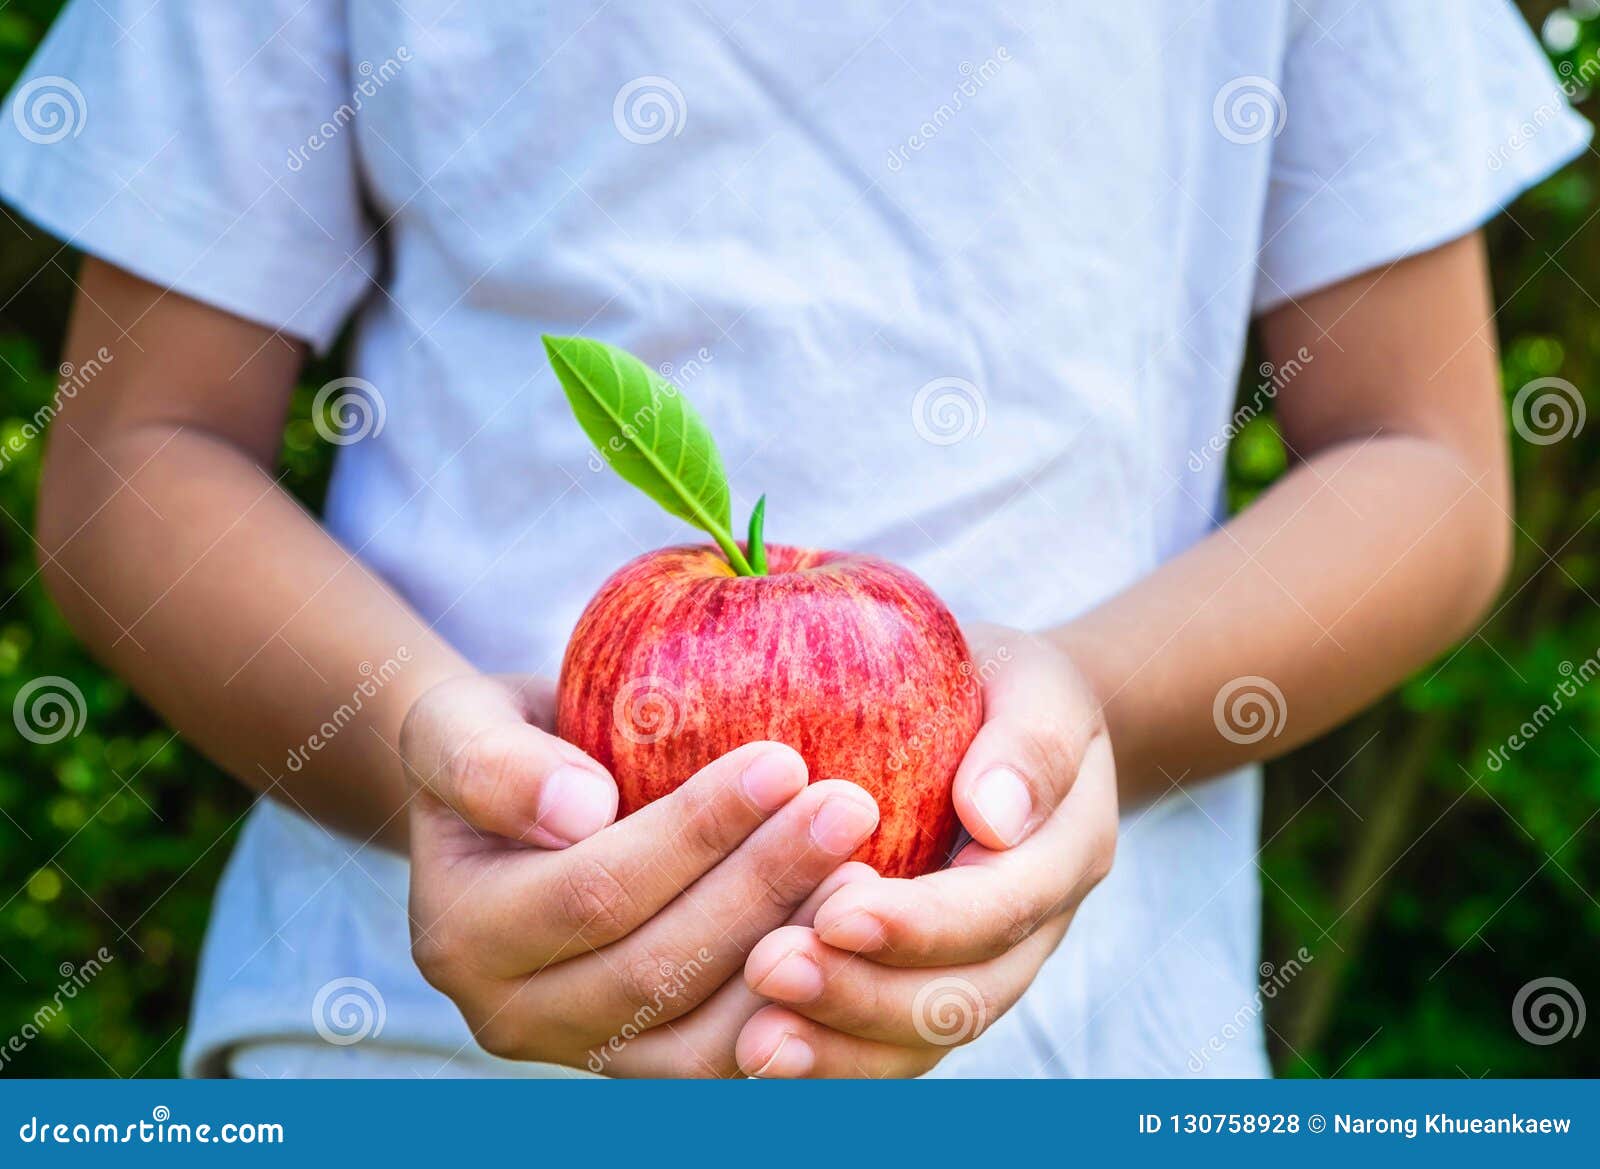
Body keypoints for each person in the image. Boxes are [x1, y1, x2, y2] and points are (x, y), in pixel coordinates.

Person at [1, 0, 1587, 1078]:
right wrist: (431, 766)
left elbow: (1423, 459)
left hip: (1080, 1054)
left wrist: (1077, 710)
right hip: (406, 1046)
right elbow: (139, 452)